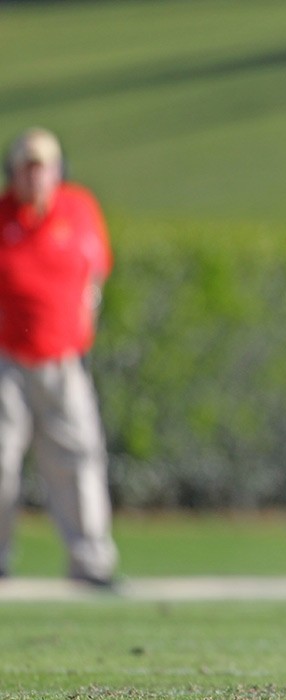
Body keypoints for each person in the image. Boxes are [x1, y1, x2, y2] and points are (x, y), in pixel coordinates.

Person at [0, 127, 118, 587]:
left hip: (64, 360)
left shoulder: (78, 209)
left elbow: (96, 267)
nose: (34, 177)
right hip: (7, 359)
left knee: (79, 457)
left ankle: (91, 561)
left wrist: (86, 312)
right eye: (26, 168)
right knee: (1, 462)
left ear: (57, 171)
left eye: (42, 168)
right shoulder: (3, 217)